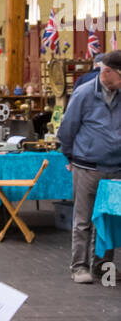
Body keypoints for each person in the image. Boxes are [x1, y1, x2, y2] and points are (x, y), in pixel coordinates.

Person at [57, 49, 121, 284]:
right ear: (106, 72)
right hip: (87, 167)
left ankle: (103, 267)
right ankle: (79, 266)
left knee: (109, 220)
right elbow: (67, 129)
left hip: (116, 168)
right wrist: (71, 157)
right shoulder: (84, 94)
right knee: (83, 220)